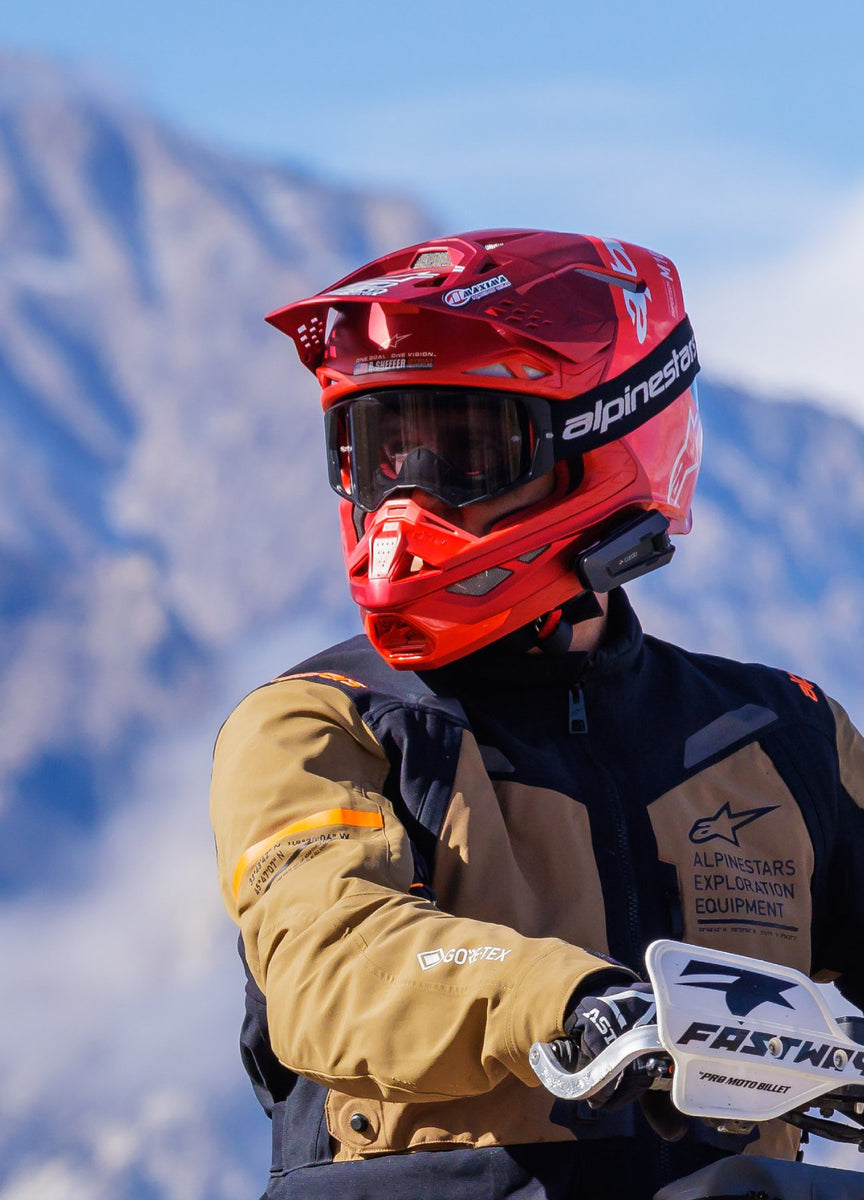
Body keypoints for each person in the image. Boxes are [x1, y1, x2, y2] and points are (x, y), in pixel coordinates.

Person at [208, 229, 864, 1200]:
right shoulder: (320, 725)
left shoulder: (782, 733)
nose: (405, 507)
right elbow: (332, 955)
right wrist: (573, 1003)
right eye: (381, 455)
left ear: (606, 439)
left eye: (466, 452)